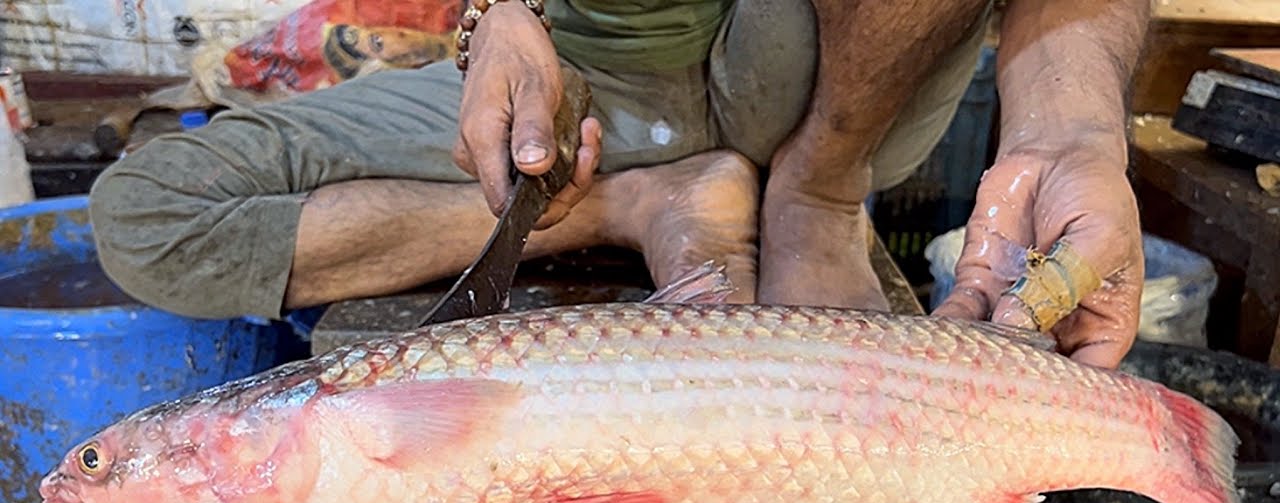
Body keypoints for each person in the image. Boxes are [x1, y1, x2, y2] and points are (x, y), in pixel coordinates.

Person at [88, 0, 1147, 368]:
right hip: (593, 76)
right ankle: (639, 200)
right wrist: (498, 18)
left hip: (823, 89)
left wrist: (1070, 129)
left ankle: (804, 192)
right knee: (145, 213)